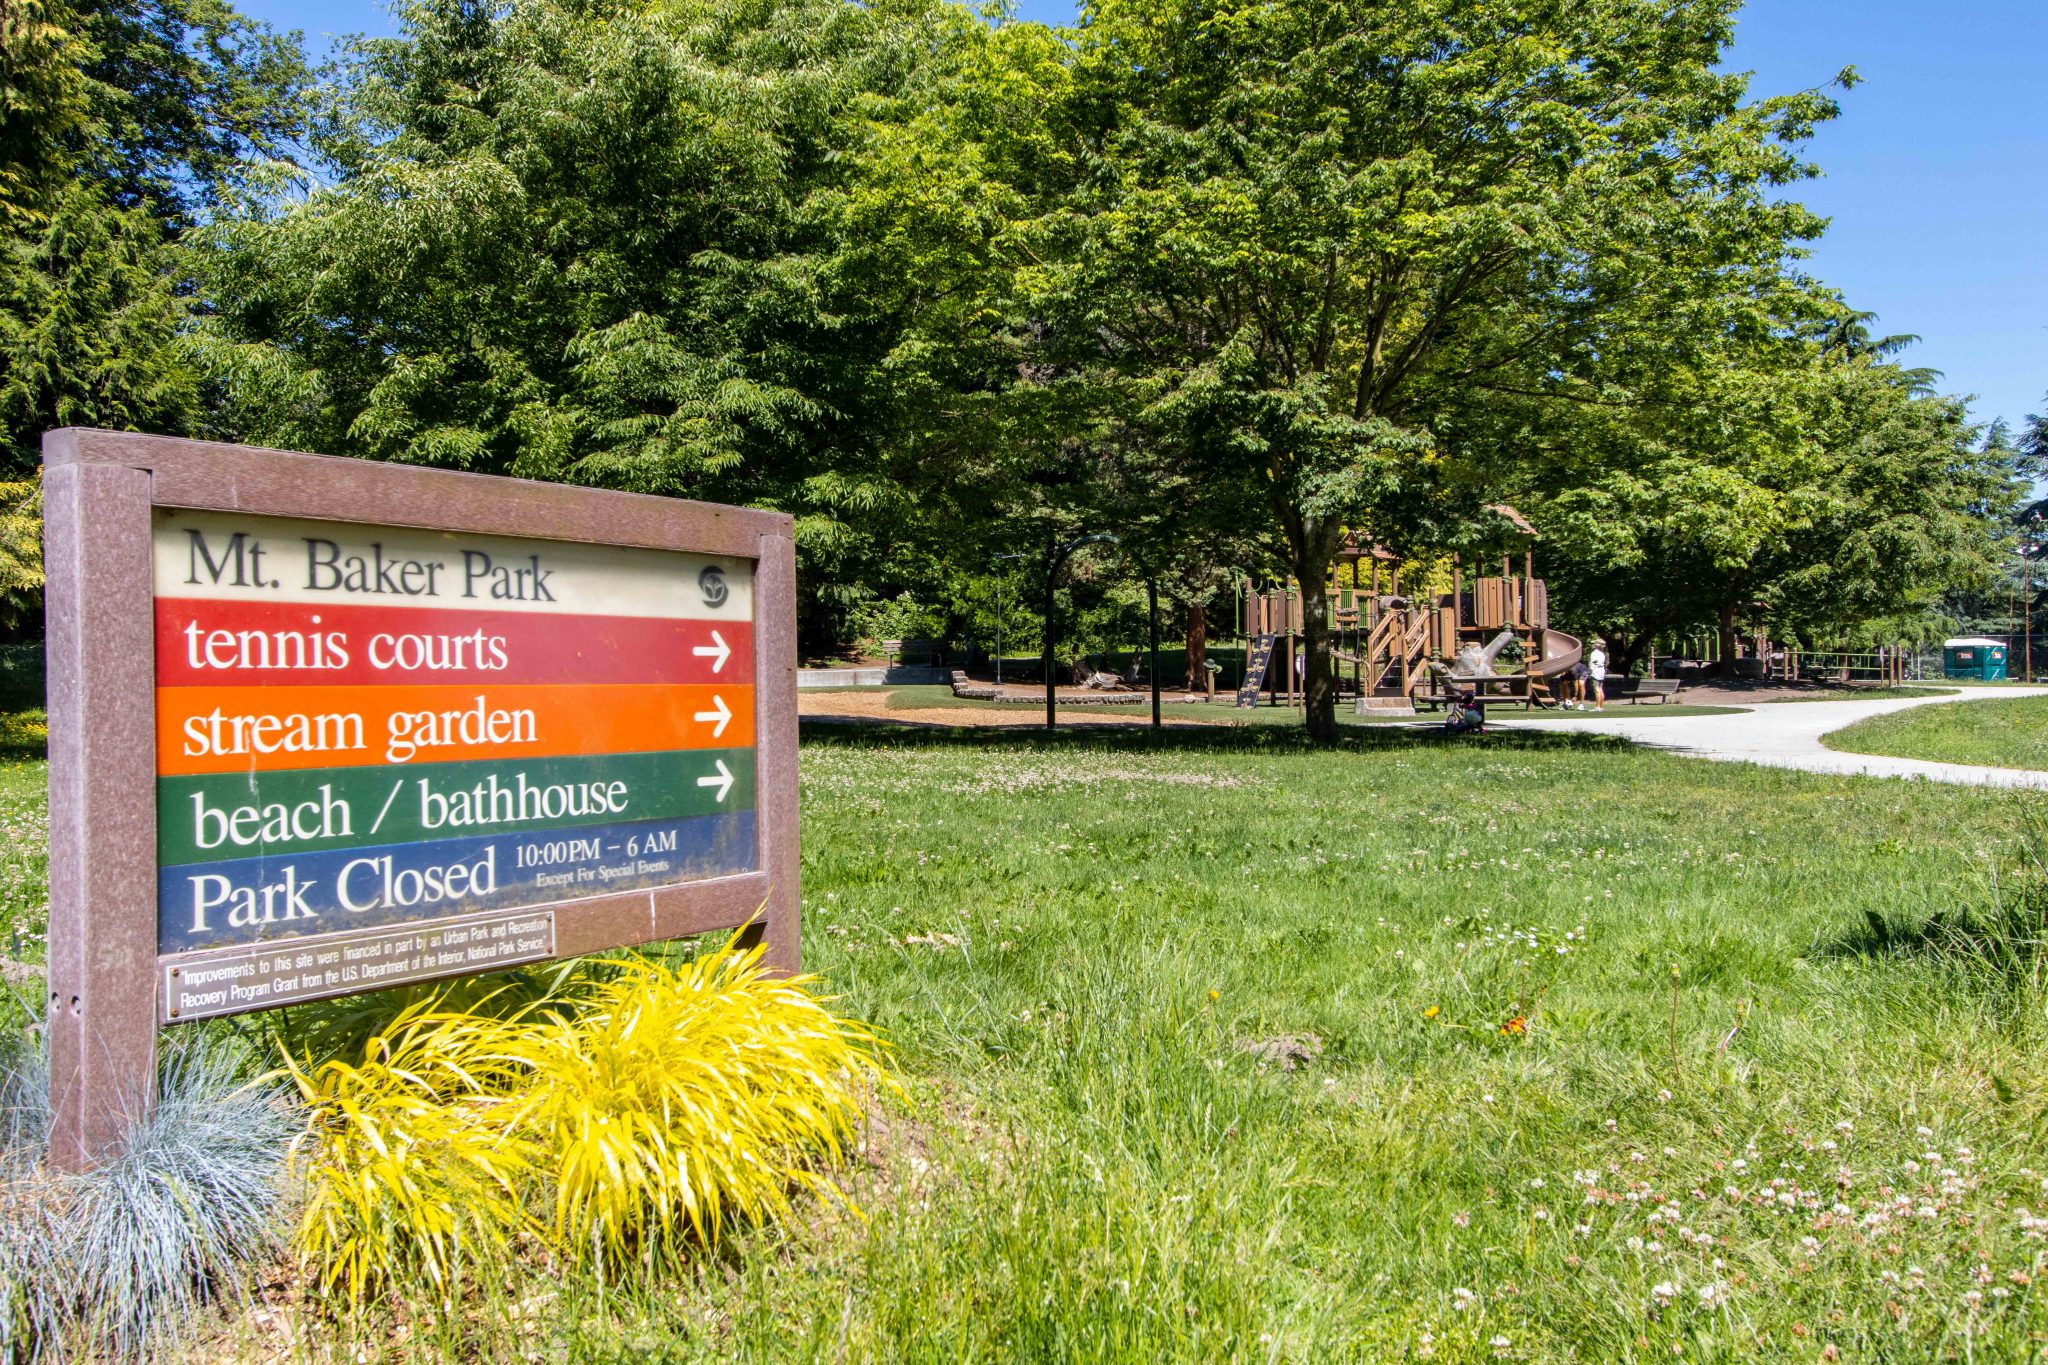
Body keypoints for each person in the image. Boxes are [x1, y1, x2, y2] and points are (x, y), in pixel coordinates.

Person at [1588, 638, 1608, 710]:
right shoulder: (1602, 654)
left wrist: (1589, 673)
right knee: (1600, 689)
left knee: (1596, 689)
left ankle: (1597, 707)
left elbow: (1591, 665)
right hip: (1601, 672)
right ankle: (1601, 706)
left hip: (1595, 672)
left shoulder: (1594, 653)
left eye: (1593, 643)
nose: (1592, 645)